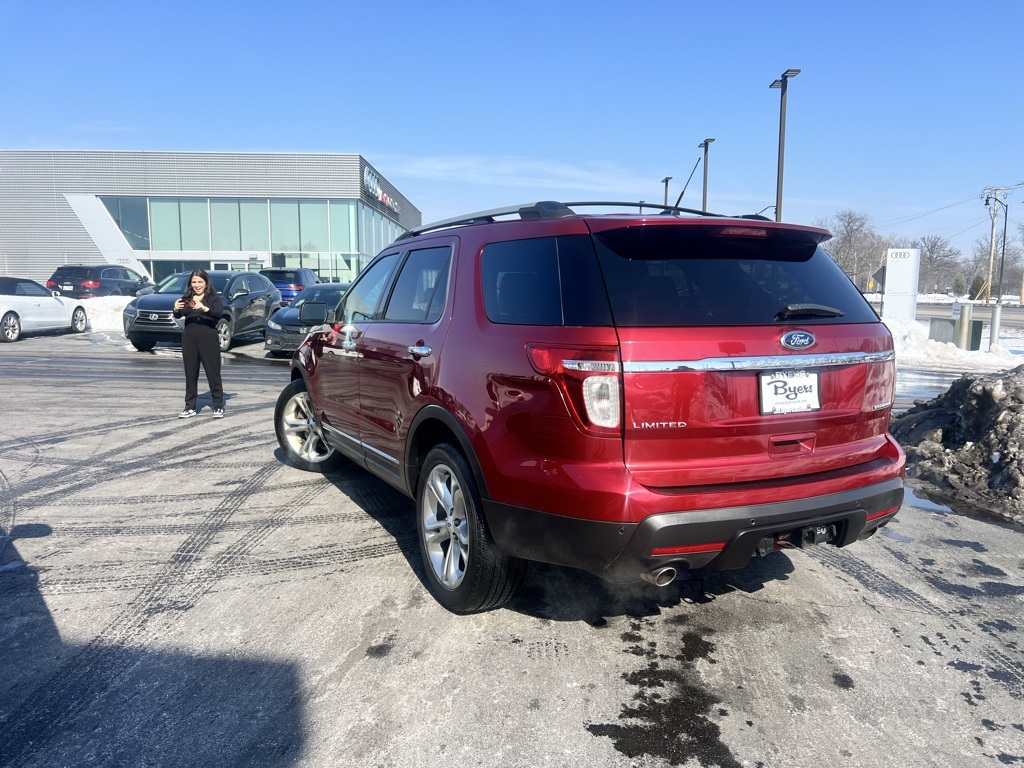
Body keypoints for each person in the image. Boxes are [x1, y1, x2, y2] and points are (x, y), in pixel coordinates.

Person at [173, 269, 225, 419]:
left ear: (206, 282)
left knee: (213, 373)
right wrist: (176, 308)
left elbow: (218, 314)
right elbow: (179, 314)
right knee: (190, 374)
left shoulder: (213, 297)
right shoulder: (187, 297)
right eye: (194, 282)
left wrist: (204, 308)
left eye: (200, 282)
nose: (197, 285)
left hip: (208, 337)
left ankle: (218, 406)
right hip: (189, 338)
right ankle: (190, 407)